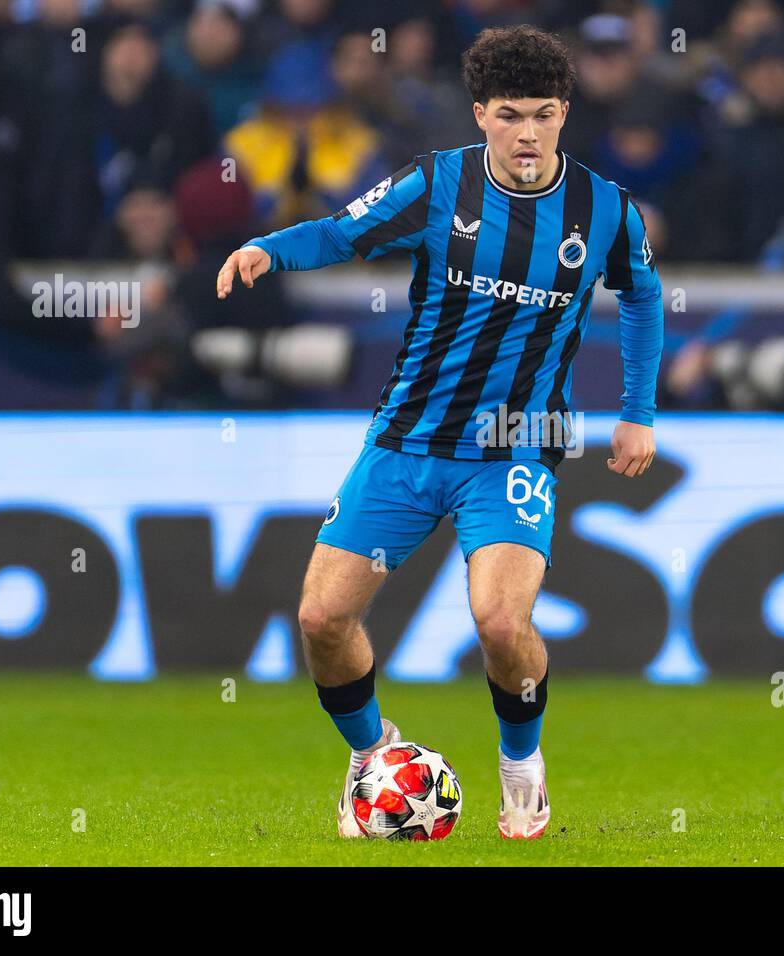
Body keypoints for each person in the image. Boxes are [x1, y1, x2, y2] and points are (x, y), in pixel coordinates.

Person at [216, 25, 664, 840]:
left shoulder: (604, 209)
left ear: (564, 114)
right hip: (408, 438)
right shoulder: (436, 185)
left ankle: (521, 763)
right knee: (321, 621)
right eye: (509, 114)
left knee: (500, 622)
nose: (528, 132)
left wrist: (637, 411)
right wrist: (265, 250)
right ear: (480, 115)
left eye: (544, 114)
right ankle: (371, 755)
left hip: (515, 444)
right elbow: (341, 232)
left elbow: (642, 298)